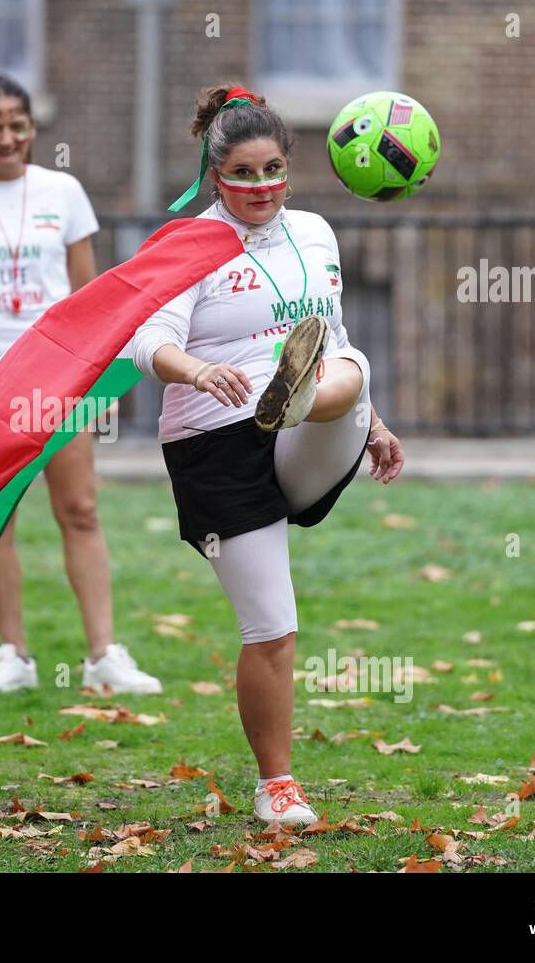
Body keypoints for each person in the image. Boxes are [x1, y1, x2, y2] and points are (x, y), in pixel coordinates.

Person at [130, 85, 405, 826]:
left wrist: (372, 423)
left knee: (359, 363)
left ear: (292, 169)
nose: (261, 187)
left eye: (274, 169)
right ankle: (276, 787)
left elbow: (335, 335)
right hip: (214, 440)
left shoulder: (315, 232)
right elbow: (145, 342)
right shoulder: (187, 244)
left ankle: (307, 401)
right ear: (216, 176)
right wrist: (195, 370)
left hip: (301, 424)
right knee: (272, 627)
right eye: (244, 174)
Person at [0, 72, 160, 696]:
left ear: (32, 129)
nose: (6, 136)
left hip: (56, 367)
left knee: (79, 507)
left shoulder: (64, 191)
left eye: (16, 123)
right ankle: (12, 655)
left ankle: (104, 655)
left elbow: (89, 292)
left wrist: (101, 369)